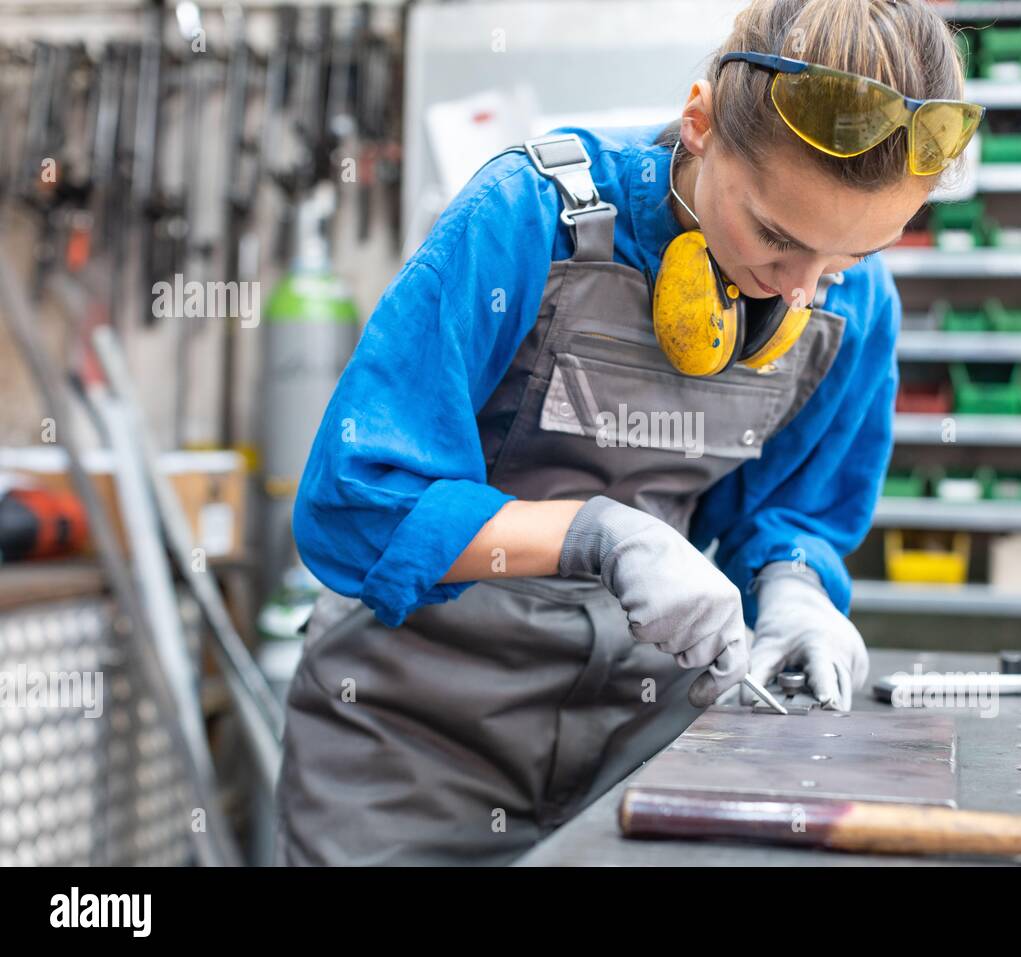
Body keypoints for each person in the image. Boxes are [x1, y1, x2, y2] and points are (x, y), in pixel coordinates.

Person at [275, 0, 981, 865]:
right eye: (774, 235)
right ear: (700, 121)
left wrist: (794, 587)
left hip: (644, 746)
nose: (800, 290)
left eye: (847, 257)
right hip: (411, 745)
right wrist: (596, 533)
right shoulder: (525, 218)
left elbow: (796, 512)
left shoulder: (851, 309)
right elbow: (360, 502)